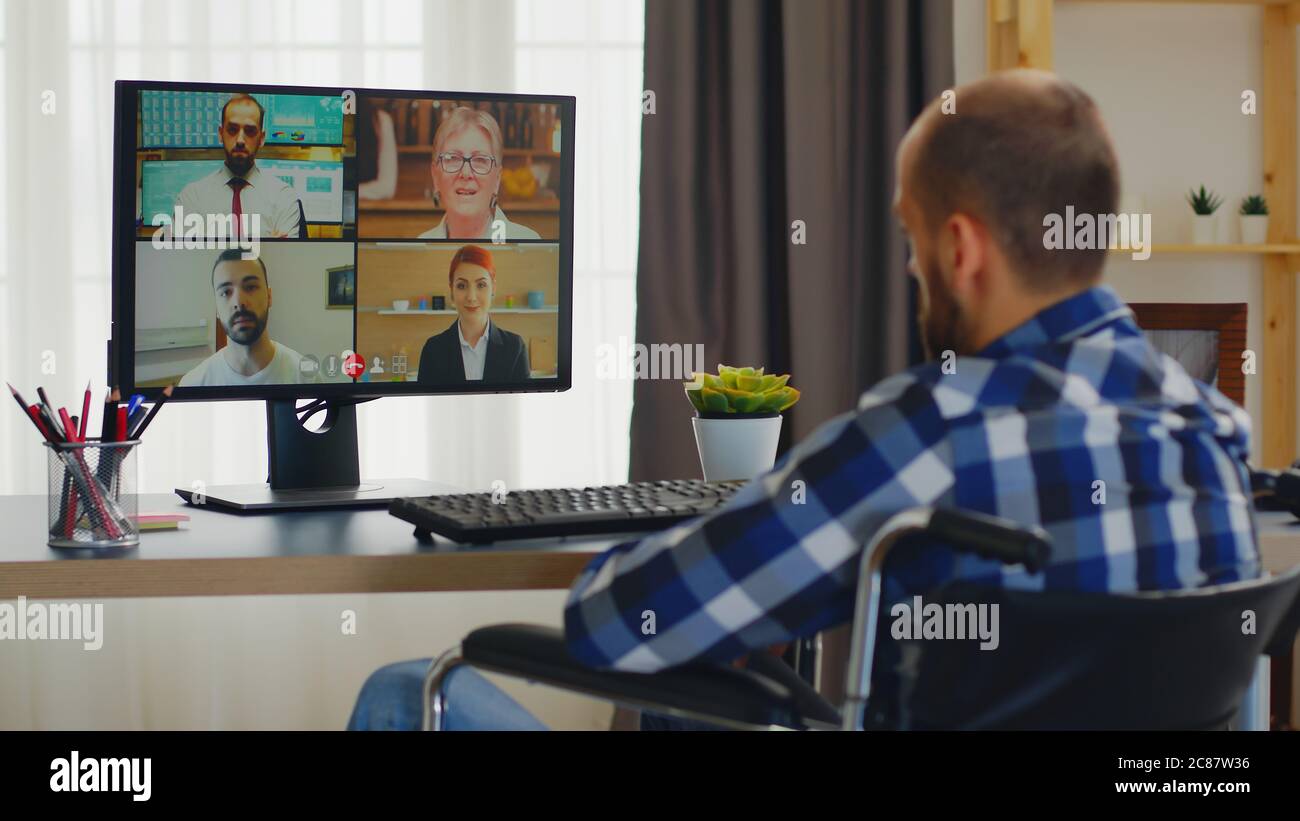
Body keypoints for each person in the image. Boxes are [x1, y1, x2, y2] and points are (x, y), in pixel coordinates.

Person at [349, 70, 1260, 730]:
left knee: (406, 689)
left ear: (961, 247)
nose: (910, 268)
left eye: (910, 237)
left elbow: (615, 626)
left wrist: (712, 535)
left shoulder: (928, 432)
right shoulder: (1215, 433)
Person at [180, 250, 318, 386]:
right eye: (226, 292)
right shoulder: (193, 384)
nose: (239, 302)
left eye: (251, 287)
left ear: (269, 296)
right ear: (216, 308)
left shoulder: (307, 378)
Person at [175, 93, 303, 239]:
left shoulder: (283, 197)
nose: (240, 140)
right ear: (220, 133)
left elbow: (285, 258)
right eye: (232, 129)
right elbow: (185, 258)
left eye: (249, 131)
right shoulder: (192, 197)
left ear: (261, 139)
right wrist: (268, 245)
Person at [417, 106, 541, 240]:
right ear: (435, 176)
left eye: (480, 160)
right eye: (453, 158)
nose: (465, 173)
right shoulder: (418, 251)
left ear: (497, 179)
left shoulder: (527, 246)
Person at [416, 245, 531, 384]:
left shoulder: (515, 348)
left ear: (493, 288)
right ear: (451, 290)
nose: (471, 297)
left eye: (481, 285)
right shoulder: (433, 350)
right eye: (461, 286)